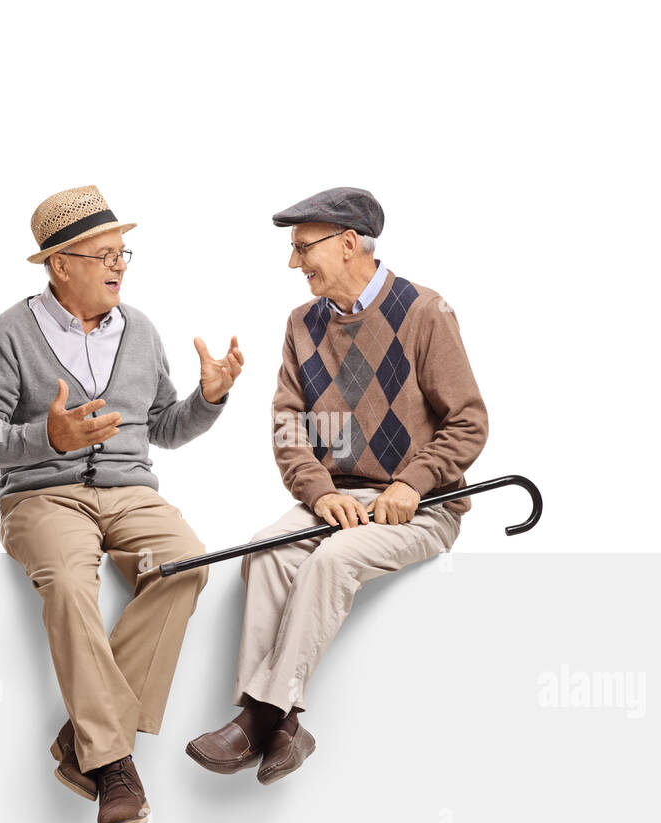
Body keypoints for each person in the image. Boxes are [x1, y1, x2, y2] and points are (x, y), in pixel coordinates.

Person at [0, 185, 243, 823]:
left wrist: (209, 396)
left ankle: (80, 740)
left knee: (183, 563)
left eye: (124, 253)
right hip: (42, 497)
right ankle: (112, 762)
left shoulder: (140, 329)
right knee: (67, 583)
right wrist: (45, 439)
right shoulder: (10, 333)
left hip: (131, 495)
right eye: (104, 254)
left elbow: (164, 427)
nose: (119, 266)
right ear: (61, 264)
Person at [187, 186, 488, 785]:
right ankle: (284, 728)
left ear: (350, 244)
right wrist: (319, 491)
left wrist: (413, 481)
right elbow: (287, 424)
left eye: (302, 249)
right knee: (266, 551)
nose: (294, 264)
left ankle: (258, 718)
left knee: (333, 559)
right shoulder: (303, 324)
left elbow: (469, 421)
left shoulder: (425, 311)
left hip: (422, 506)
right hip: (337, 497)